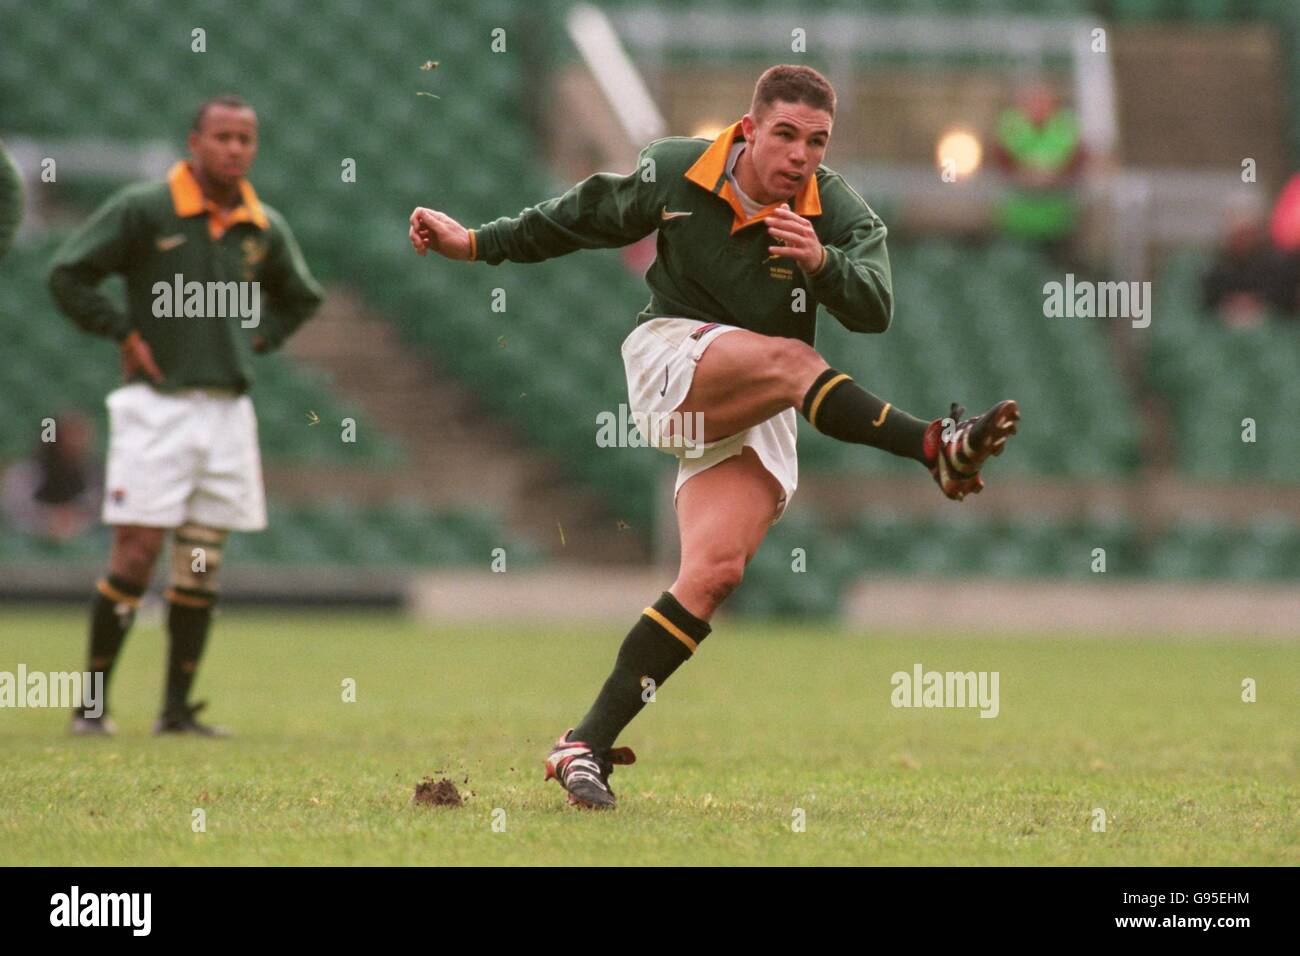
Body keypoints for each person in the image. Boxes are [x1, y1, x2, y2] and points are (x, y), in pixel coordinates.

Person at [409, 65, 1019, 809]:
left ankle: (584, 745)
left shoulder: (838, 213)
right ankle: (936, 447)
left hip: (756, 393)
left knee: (713, 575)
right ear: (750, 127)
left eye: (817, 141)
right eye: (787, 134)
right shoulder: (676, 170)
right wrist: (473, 242)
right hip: (674, 359)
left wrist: (823, 264)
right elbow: (578, 217)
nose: (800, 155)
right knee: (796, 361)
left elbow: (876, 307)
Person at [48, 95, 324, 736]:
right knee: (137, 552)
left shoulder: (262, 226)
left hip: (226, 413)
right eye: (223, 136)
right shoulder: (146, 209)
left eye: (246, 138)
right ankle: (91, 708)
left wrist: (260, 338)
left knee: (200, 560)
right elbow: (69, 274)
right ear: (194, 141)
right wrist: (122, 332)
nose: (235, 148)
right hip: (157, 410)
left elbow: (302, 296)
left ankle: (175, 711)